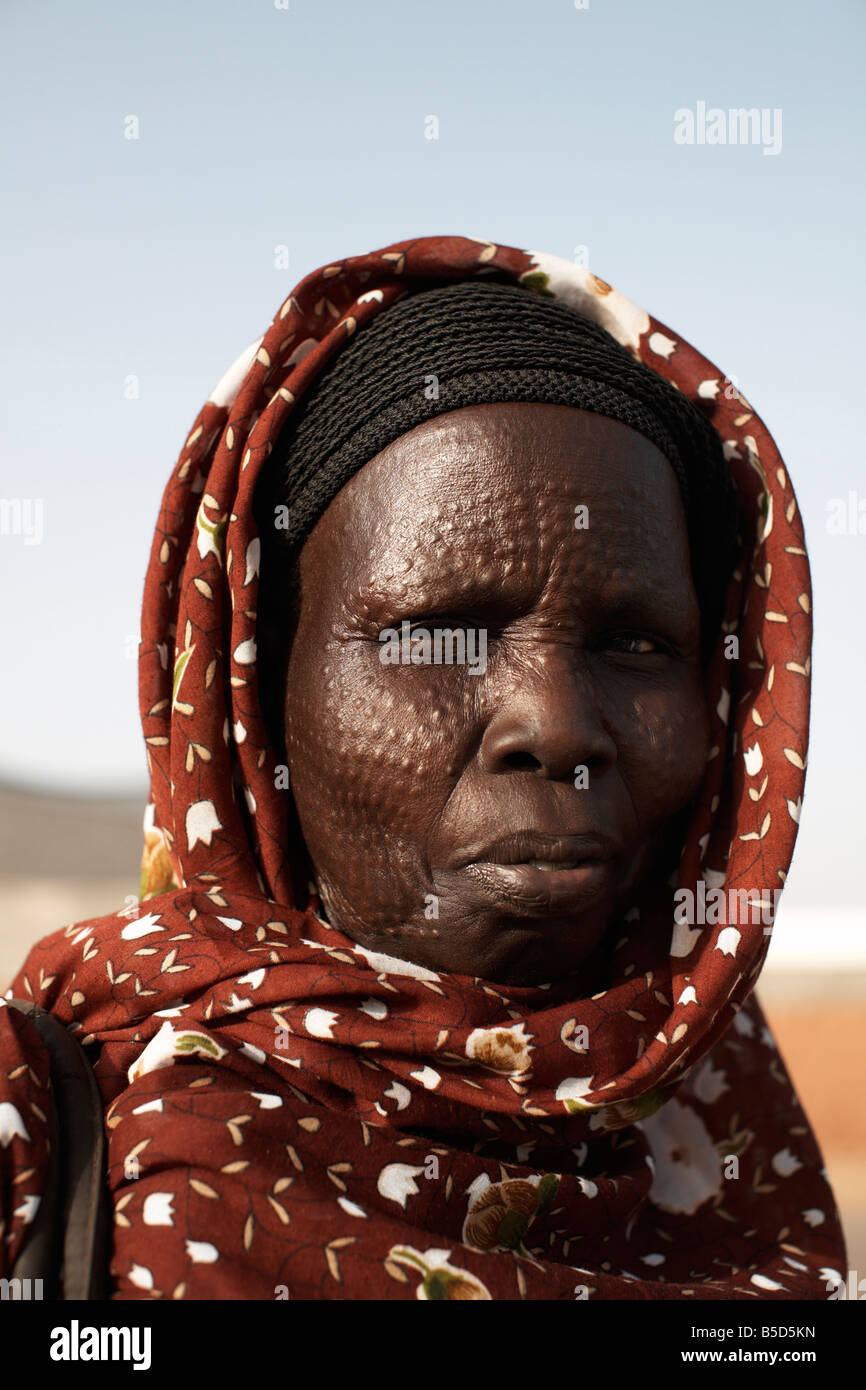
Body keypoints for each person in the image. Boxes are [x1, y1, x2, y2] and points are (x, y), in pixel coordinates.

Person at [0, 235, 846, 1300]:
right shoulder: (46, 1144)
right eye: (437, 635)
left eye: (634, 644)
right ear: (253, 703)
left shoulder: (728, 1150)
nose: (554, 725)